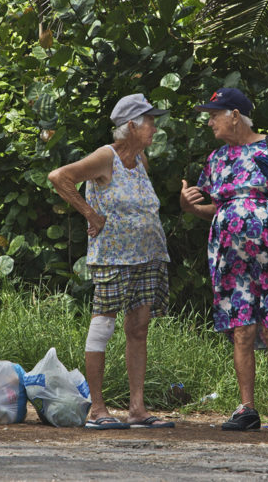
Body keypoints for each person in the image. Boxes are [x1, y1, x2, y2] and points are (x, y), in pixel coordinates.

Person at [179, 87, 268, 435]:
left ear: (234, 115)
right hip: (230, 258)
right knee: (242, 329)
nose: (209, 122)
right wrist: (191, 206)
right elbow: (219, 209)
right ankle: (247, 408)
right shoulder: (217, 158)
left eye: (214, 114)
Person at [48, 93, 174, 430]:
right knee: (103, 327)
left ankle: (137, 409)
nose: (154, 127)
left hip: (147, 258)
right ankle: (98, 409)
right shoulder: (107, 157)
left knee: (138, 329)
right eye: (149, 121)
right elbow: (59, 176)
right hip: (114, 259)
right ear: (131, 125)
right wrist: (91, 214)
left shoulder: (141, 160)